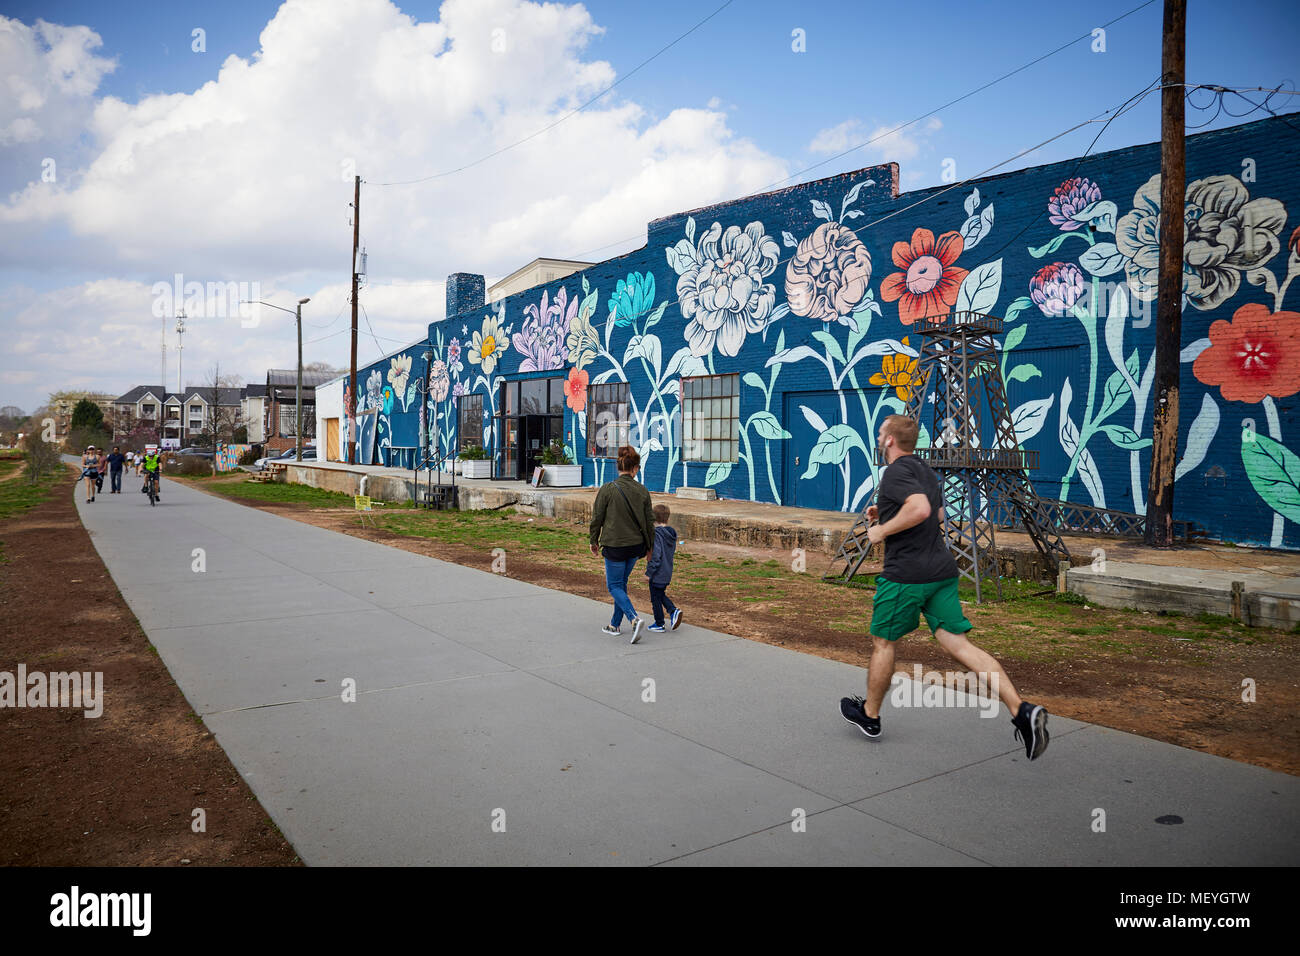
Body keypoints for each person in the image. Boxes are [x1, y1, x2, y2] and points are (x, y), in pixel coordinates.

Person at [840, 415, 1049, 761]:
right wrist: (888, 510)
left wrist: (882, 530)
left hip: (905, 577)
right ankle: (1021, 710)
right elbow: (936, 515)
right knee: (959, 645)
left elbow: (920, 510)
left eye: (881, 434)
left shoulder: (893, 472)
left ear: (891, 440)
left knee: (883, 643)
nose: (878, 438)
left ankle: (871, 716)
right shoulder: (924, 469)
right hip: (941, 572)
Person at [588, 445, 655, 644]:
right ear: (634, 468)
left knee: (614, 585)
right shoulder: (642, 491)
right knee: (621, 584)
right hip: (636, 547)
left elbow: (597, 518)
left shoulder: (608, 489)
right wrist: (650, 548)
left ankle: (634, 619)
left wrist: (594, 540)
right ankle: (614, 625)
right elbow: (649, 522)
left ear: (619, 466)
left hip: (615, 546)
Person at [644, 503, 682, 634]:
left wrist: (649, 572)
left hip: (657, 572)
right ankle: (671, 613)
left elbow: (656, 555)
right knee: (659, 595)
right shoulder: (671, 534)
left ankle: (662, 620)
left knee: (655, 598)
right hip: (667, 570)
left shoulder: (657, 534)